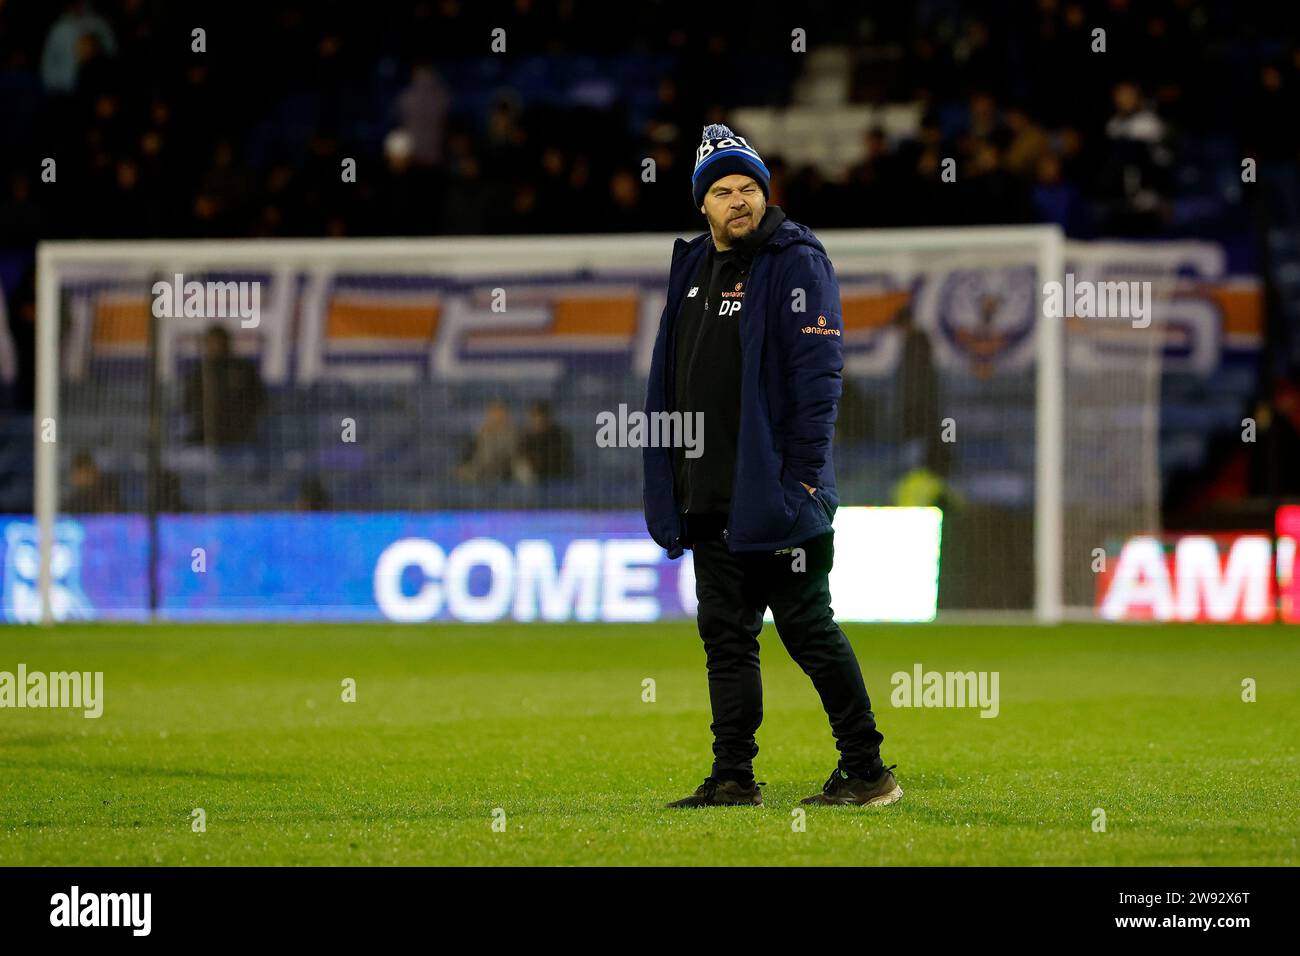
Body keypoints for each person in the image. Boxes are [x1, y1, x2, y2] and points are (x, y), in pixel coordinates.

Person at [644, 124, 898, 809]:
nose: (738, 200)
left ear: (765, 193)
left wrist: (805, 480)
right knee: (726, 641)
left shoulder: (795, 261)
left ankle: (868, 770)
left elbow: (819, 379)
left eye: (749, 187)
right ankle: (733, 778)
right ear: (703, 204)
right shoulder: (694, 268)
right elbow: (675, 378)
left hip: (779, 495)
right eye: (723, 190)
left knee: (808, 629)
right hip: (710, 495)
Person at [183, 325, 265, 446]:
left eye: (218, 342)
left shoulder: (243, 369)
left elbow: (258, 399)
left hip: (238, 433)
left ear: (227, 343)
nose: (215, 347)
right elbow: (189, 403)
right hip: (205, 433)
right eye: (211, 342)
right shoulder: (200, 373)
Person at [455, 399, 517, 483]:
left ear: (505, 414)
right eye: (492, 412)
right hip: (478, 466)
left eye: (498, 412)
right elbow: (469, 454)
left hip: (498, 469)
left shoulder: (511, 433)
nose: (495, 415)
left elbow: (509, 456)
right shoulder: (482, 432)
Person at [515, 400, 573, 484]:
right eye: (532, 416)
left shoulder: (560, 437)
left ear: (547, 417)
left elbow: (561, 463)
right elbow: (520, 456)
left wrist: (537, 462)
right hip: (531, 480)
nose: (535, 420)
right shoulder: (526, 437)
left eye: (538, 416)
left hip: (555, 481)